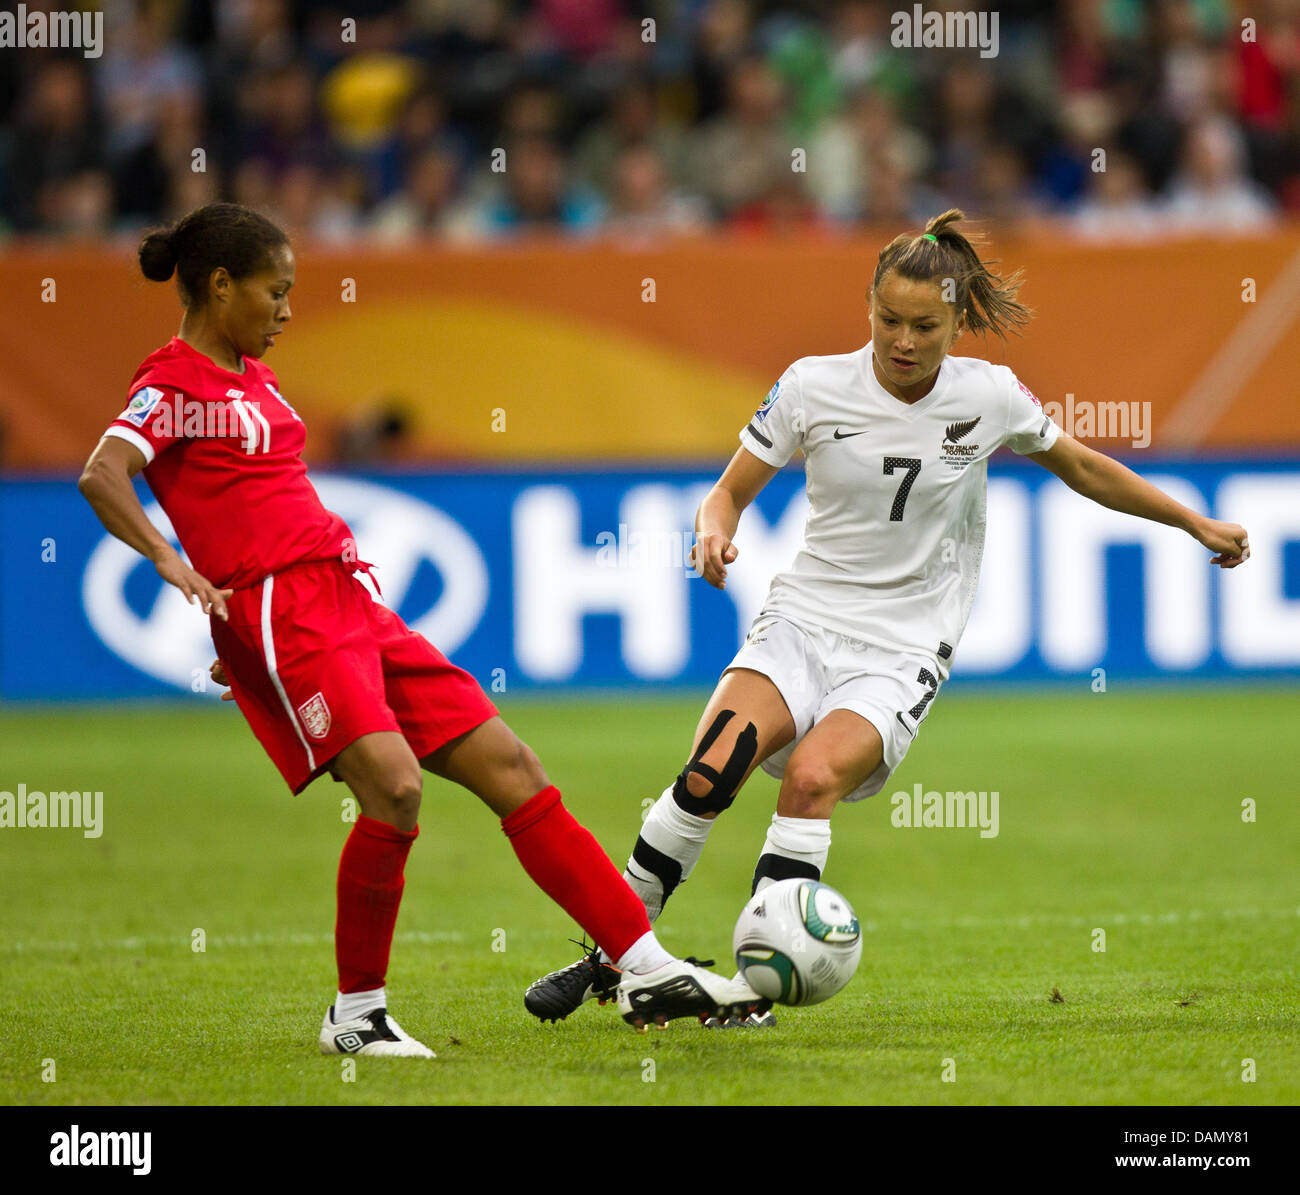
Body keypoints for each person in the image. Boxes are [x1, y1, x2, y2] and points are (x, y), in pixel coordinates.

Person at [524, 207, 1251, 1027]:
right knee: (705, 775)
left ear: (956, 319)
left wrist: (1193, 520)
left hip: (902, 644)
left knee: (810, 779)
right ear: (868, 305)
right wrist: (713, 531)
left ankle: (753, 989)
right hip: (803, 616)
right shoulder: (810, 385)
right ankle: (616, 955)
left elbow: (1083, 466)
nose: (903, 341)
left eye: (925, 327)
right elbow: (728, 491)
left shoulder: (990, 397)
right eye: (888, 320)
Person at [77, 202, 767, 1052]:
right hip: (286, 611)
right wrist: (166, 558)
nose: (288, 310)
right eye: (275, 292)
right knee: (395, 791)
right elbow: (103, 473)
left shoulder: (253, 379)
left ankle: (644, 964)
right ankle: (357, 1016)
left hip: (346, 599)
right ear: (220, 286)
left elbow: (255, 504)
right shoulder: (172, 384)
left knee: (512, 764)